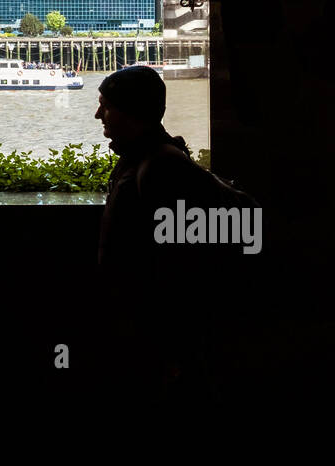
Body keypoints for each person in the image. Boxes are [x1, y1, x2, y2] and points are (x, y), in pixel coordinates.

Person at [93, 64, 255, 402]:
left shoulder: (159, 168)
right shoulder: (153, 160)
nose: (98, 115)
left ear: (131, 112)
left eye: (106, 105)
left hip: (158, 338)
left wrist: (168, 349)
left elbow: (176, 267)